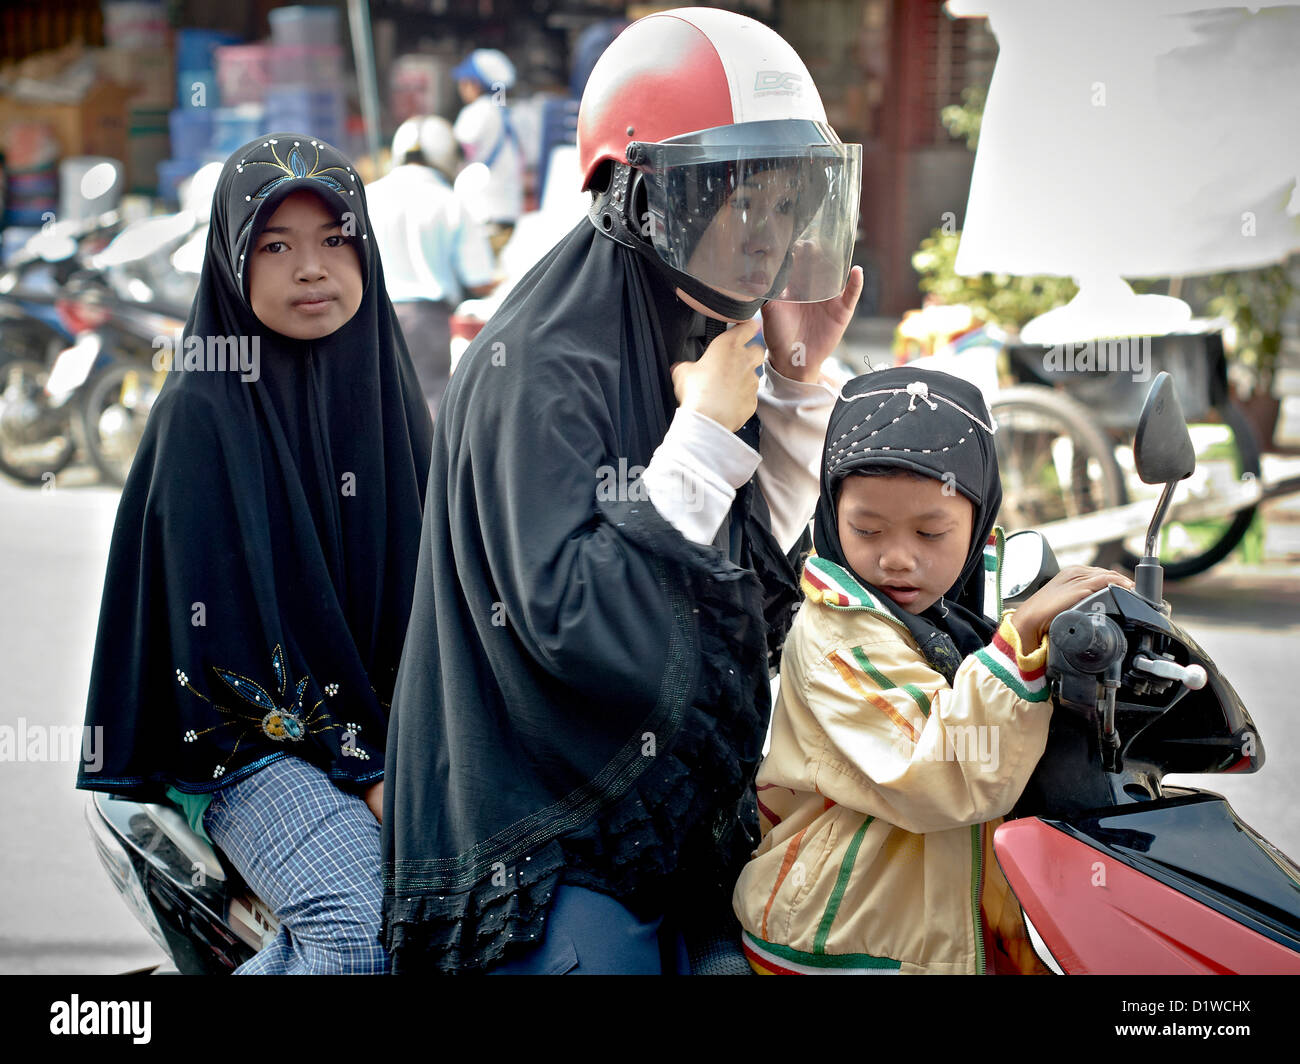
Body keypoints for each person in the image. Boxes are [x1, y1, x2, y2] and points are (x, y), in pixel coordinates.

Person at [381, 7, 864, 974]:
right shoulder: (541, 366)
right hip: (540, 826)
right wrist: (699, 441)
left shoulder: (692, 326)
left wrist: (802, 382)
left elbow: (753, 590)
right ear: (647, 200)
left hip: (669, 808)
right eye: (741, 200)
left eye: (785, 203)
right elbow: (571, 617)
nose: (769, 236)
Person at [76, 133, 434, 974]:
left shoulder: (389, 395)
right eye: (276, 245)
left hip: (396, 733)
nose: (311, 268)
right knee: (357, 934)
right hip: (248, 750)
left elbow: (439, 599)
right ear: (234, 260)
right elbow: (219, 651)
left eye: (334, 239)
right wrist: (368, 767)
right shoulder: (200, 417)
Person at [732, 367, 1136, 974]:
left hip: (935, 925)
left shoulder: (959, 608)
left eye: (931, 532)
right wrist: (1019, 638)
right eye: (866, 529)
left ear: (979, 523)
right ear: (830, 513)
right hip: (843, 940)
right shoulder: (836, 636)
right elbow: (938, 770)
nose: (897, 557)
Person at [367, 116, 497, 416]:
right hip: (428, 323)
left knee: (380, 409)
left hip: (373, 316)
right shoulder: (451, 202)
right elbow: (479, 279)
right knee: (430, 410)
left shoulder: (368, 195)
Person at [452, 47, 525, 254]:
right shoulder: (510, 112)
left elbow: (456, 153)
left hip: (482, 215)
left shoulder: (476, 113)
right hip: (509, 212)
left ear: (474, 85)